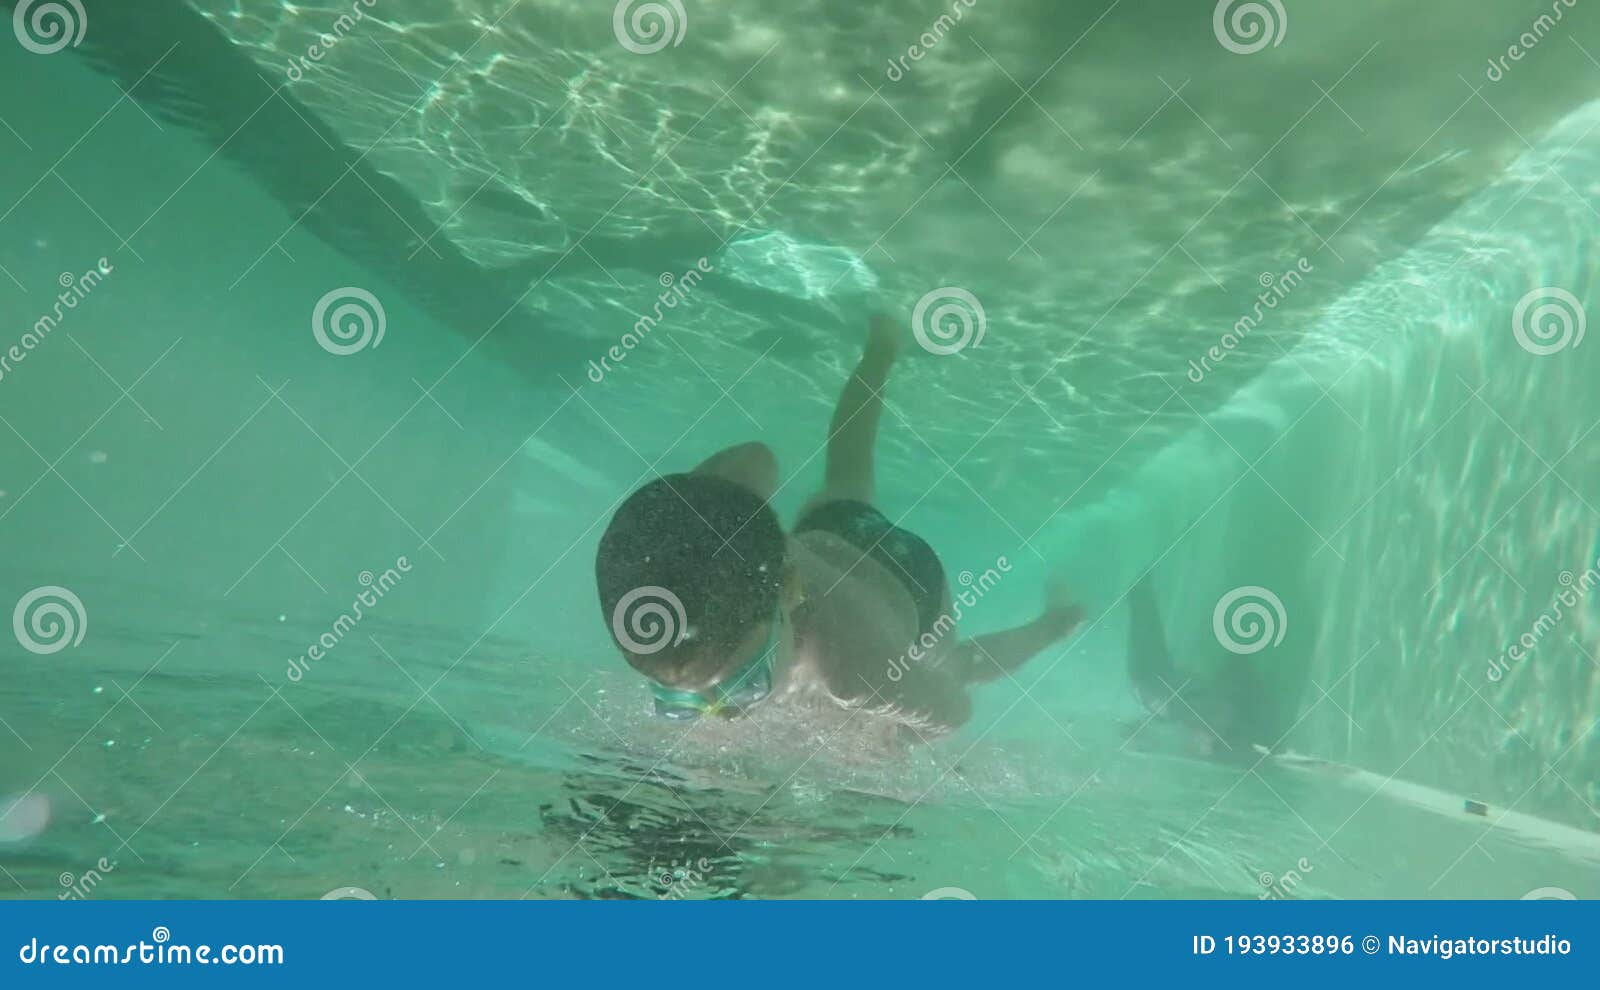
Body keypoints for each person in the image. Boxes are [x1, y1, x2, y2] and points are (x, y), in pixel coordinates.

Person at [594, 313, 1083, 735]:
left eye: (746, 686)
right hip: (833, 535)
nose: (721, 717)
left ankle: (1054, 625)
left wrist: (891, 744)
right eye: (673, 700)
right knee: (848, 469)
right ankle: (884, 343)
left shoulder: (860, 674)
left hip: (914, 590)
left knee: (954, 669)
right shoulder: (725, 571)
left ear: (788, 591)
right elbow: (755, 459)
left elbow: (954, 713)